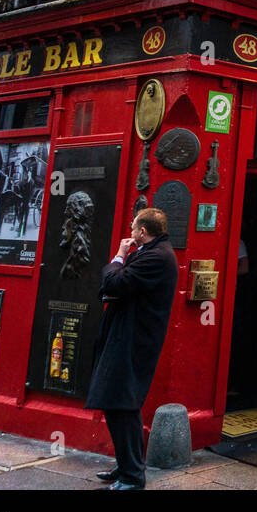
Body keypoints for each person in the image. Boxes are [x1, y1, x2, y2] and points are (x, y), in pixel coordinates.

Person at [85, 208, 178, 490]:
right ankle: (127, 465)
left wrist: (118, 255)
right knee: (123, 404)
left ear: (142, 232)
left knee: (120, 404)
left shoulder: (156, 257)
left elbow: (113, 282)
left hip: (133, 341)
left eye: (133, 227)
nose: (130, 232)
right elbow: (113, 288)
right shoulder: (151, 253)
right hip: (126, 336)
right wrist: (115, 283)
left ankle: (132, 477)